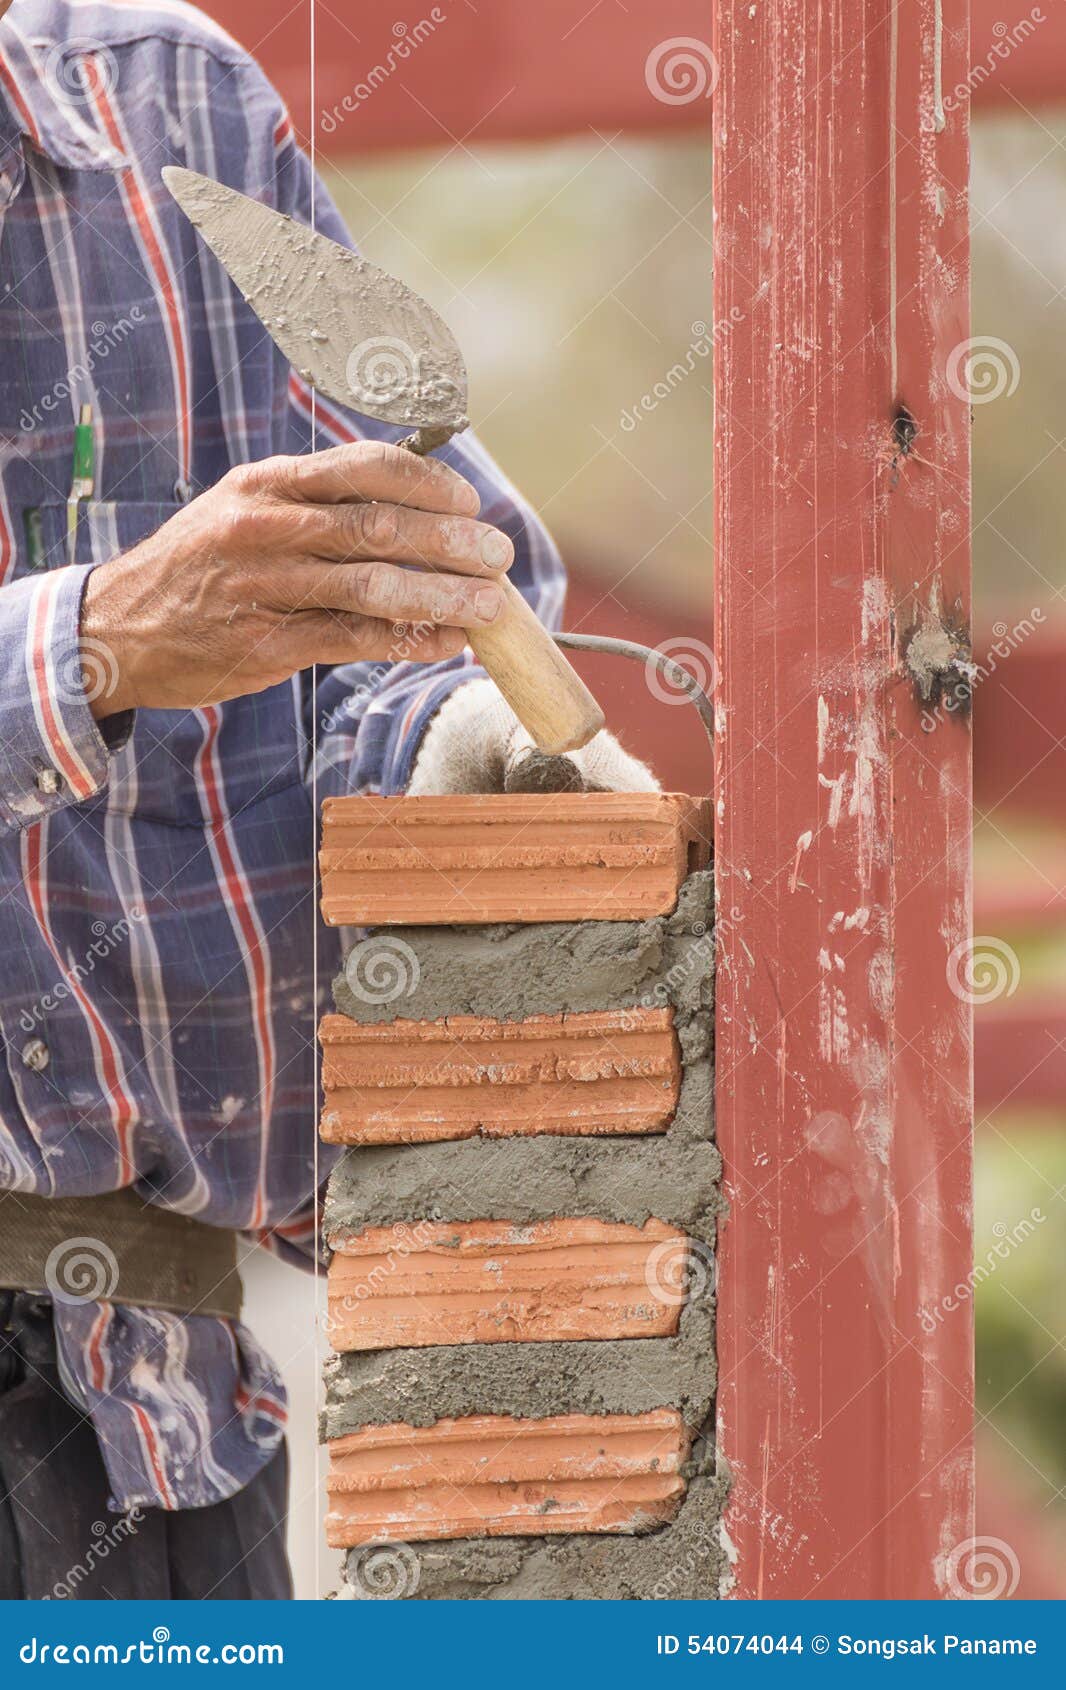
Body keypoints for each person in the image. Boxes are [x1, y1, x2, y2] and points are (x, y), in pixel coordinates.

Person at [0, 0, 654, 1598]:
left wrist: (454, 746)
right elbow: (134, 637)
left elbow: (372, 634)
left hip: (149, 1401)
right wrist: (84, 646)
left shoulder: (170, 102)